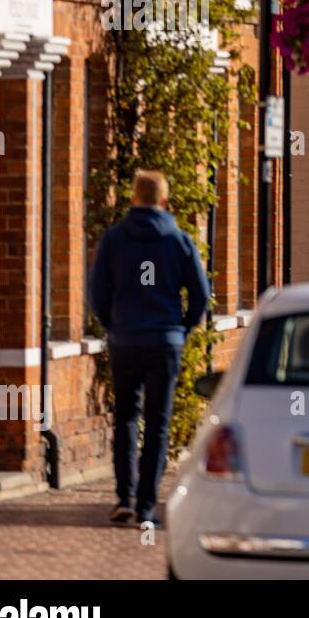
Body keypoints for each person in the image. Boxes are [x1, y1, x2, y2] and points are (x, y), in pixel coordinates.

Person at [88, 170, 209, 528]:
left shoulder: (114, 240)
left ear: (133, 199)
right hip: (164, 341)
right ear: (164, 202)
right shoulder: (179, 241)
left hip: (126, 339)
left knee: (126, 416)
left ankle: (123, 497)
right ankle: (144, 508)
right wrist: (181, 329)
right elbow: (200, 296)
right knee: (157, 423)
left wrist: (114, 324)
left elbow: (96, 292)